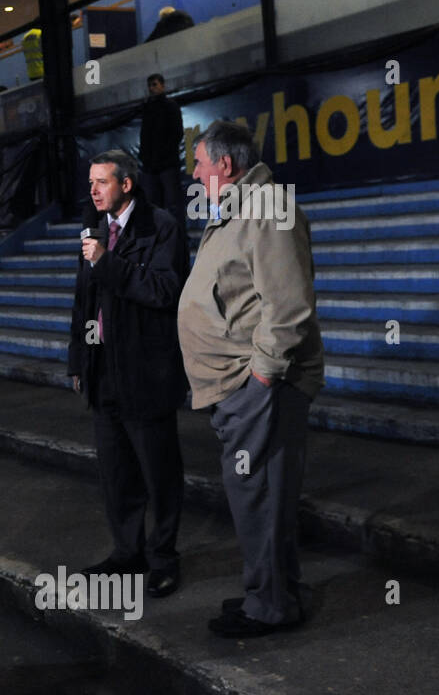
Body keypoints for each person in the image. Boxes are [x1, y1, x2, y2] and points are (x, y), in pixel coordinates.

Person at [178, 120, 324, 637]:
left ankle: (270, 606)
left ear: (225, 164)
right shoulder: (242, 208)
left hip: (260, 385)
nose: (193, 174)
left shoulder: (267, 208)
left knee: (260, 498)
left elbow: (287, 306)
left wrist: (261, 376)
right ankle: (275, 592)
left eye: (198, 163)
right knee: (263, 497)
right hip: (241, 383)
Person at [68, 151, 190, 597]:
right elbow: (84, 301)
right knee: (116, 472)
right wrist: (79, 358)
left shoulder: (161, 226)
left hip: (147, 369)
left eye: (102, 182)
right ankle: (127, 553)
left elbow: (163, 291)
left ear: (127, 184)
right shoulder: (94, 226)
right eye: (91, 182)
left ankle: (163, 558)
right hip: (103, 371)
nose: (94, 190)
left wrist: (108, 262)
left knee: (158, 472)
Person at [139, 73, 185, 215]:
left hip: (167, 163)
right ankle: (161, 235)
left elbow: (177, 133)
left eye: (155, 84)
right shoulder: (147, 108)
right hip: (152, 165)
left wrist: (164, 154)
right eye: (150, 85)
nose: (152, 88)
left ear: (162, 86)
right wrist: (145, 158)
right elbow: (144, 135)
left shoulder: (171, 106)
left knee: (173, 203)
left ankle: (178, 235)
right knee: (154, 204)